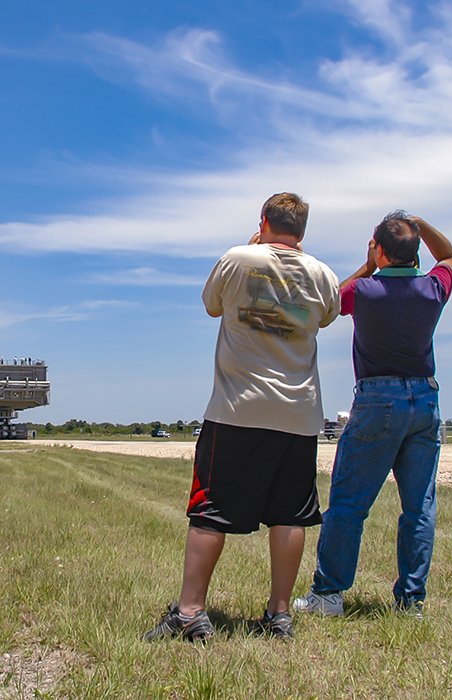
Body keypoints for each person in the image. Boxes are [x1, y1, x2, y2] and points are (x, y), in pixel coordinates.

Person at [143, 192, 340, 641]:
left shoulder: (236, 259)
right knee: (291, 514)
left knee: (210, 510)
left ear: (263, 220)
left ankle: (190, 612)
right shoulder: (323, 274)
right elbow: (326, 317)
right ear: (303, 230)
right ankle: (279, 614)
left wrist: (252, 249)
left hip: (237, 407)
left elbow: (212, 305)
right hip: (299, 413)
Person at [295, 211, 452, 618]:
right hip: (425, 396)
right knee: (419, 507)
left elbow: (331, 302)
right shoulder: (432, 289)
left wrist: (369, 265)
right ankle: (411, 601)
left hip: (376, 398)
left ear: (380, 250)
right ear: (416, 252)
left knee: (349, 503)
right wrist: (420, 224)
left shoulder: (366, 290)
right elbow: (449, 256)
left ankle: (328, 594)